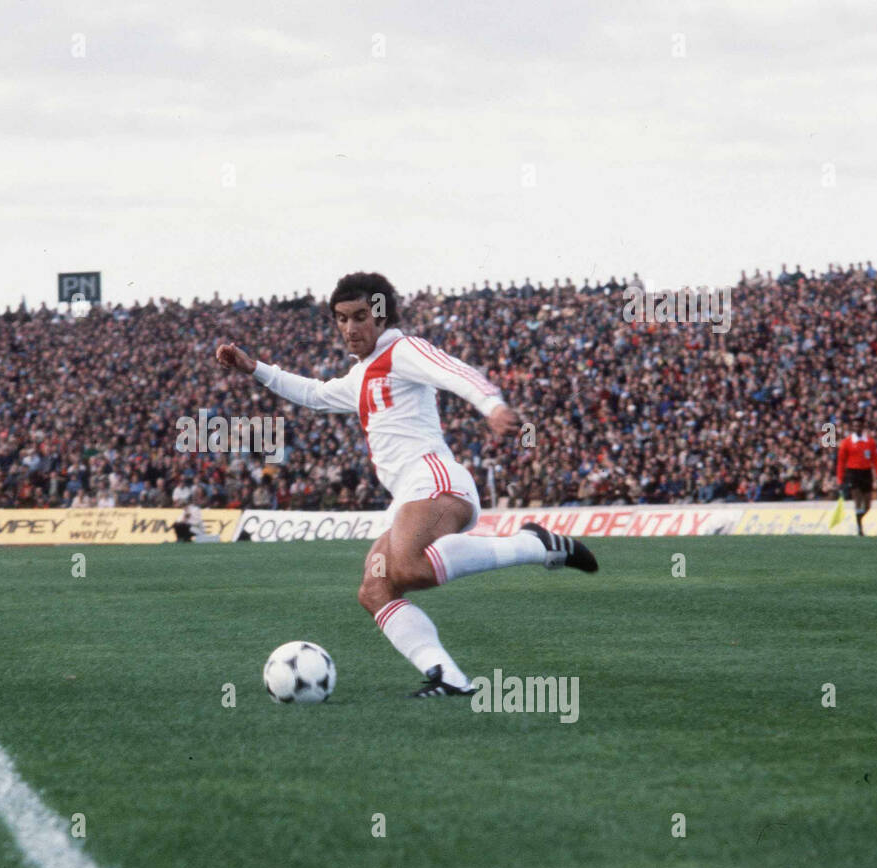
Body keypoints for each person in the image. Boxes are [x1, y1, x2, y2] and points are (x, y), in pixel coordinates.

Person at [215, 271, 598, 698]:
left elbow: (454, 371)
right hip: (408, 498)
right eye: (341, 319)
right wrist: (255, 369)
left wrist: (491, 405)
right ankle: (448, 676)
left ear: (381, 315)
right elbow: (317, 394)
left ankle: (535, 545)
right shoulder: (362, 375)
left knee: (410, 566)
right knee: (375, 588)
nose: (349, 328)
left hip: (435, 481)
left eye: (359, 316)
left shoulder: (402, 350)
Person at [836, 414, 877, 536]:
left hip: (866, 473)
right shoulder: (847, 442)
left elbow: (876, 459)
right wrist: (840, 479)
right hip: (853, 473)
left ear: (862, 427)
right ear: (852, 427)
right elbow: (841, 462)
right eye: (855, 425)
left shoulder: (869, 442)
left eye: (859, 425)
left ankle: (859, 518)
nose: (857, 427)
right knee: (858, 500)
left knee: (868, 504)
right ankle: (860, 528)